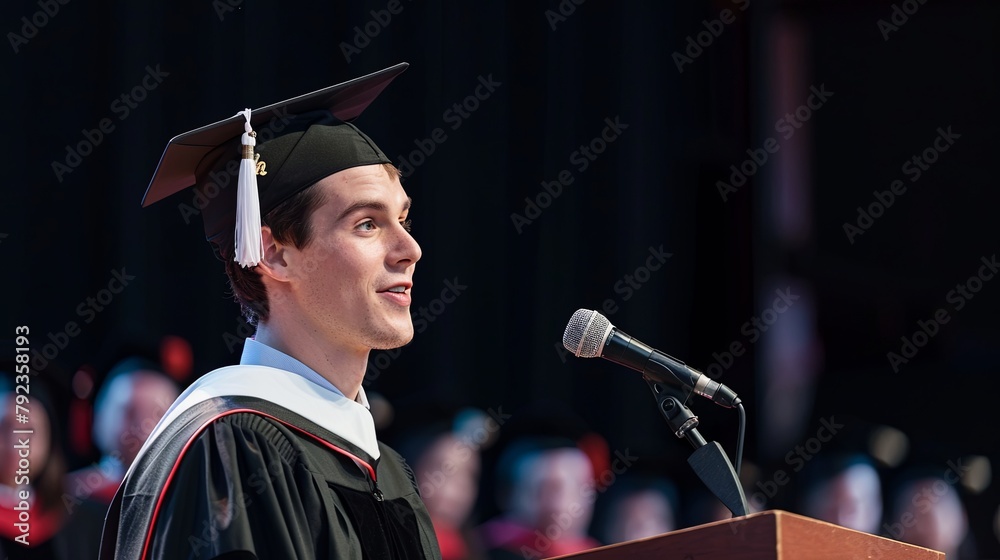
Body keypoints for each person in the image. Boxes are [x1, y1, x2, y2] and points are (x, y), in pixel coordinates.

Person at [99, 63, 442, 559]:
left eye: (403, 218)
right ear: (274, 254)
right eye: (367, 224)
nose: (410, 248)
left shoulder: (385, 468)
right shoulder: (232, 448)